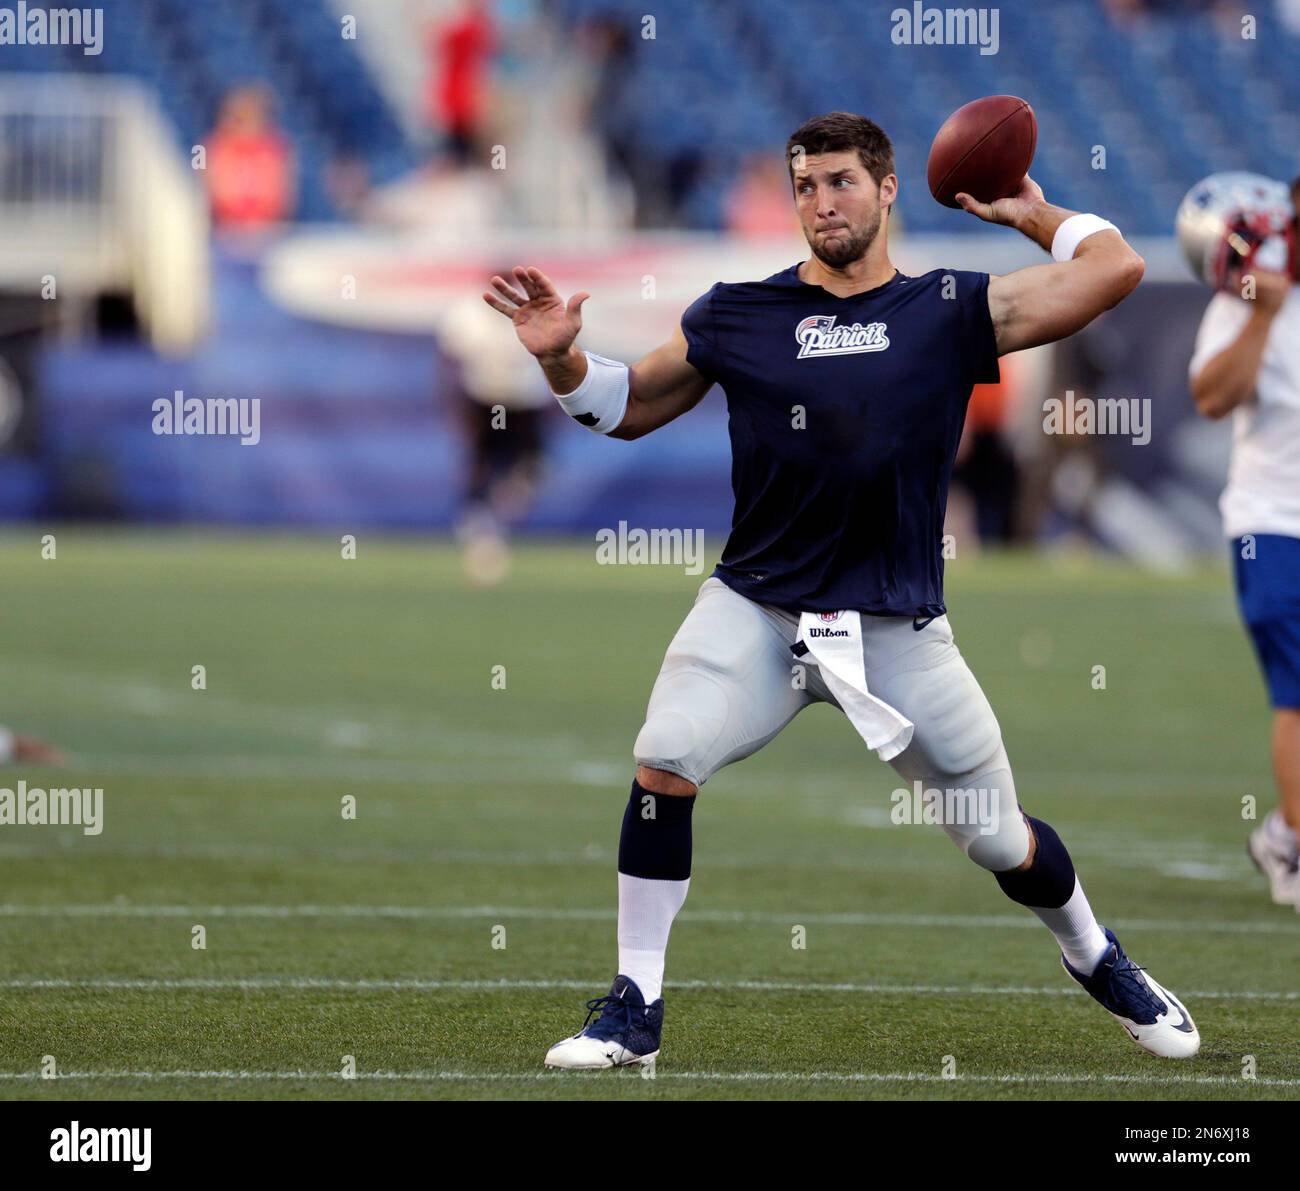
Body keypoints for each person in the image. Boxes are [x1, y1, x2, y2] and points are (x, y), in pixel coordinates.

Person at [485, 111, 1199, 1068]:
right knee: (664, 758)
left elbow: (1115, 271)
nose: (823, 203)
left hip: (897, 624)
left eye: (842, 183)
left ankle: (1096, 953)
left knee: (1000, 841)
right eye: (807, 186)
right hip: (760, 606)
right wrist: (560, 359)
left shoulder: (947, 308)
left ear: (889, 187)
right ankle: (634, 1005)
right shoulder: (738, 310)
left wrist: (1031, 212)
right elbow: (629, 406)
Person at [1188, 174, 1300, 912]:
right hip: (1275, 520)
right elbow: (1210, 396)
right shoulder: (1248, 292)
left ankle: (1284, 835)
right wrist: (1265, 312)